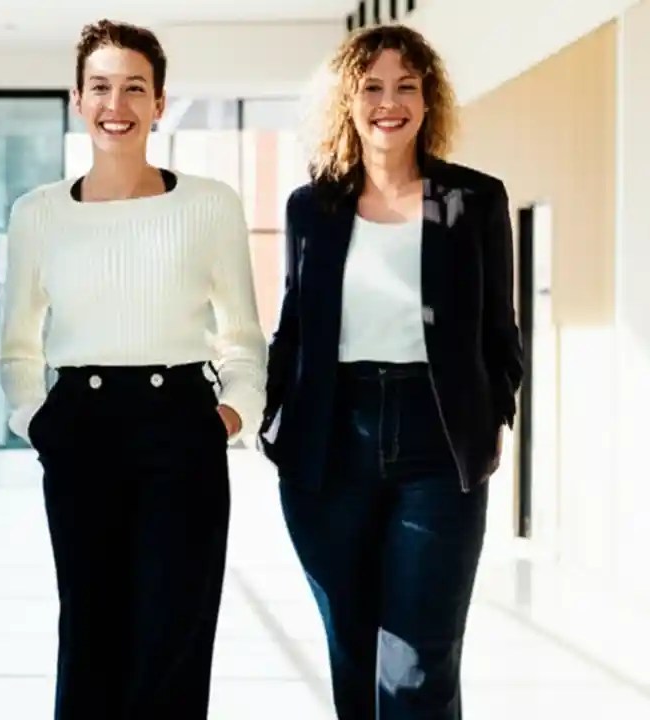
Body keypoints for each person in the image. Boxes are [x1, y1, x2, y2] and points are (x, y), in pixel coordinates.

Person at [0, 19, 266, 719]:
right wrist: (35, 419)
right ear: (78, 102)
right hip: (80, 427)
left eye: (134, 88)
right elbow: (17, 346)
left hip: (181, 424)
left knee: (173, 638)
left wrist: (230, 414)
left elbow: (242, 333)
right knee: (89, 634)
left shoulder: (209, 205)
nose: (117, 103)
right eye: (102, 87)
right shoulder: (38, 214)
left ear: (159, 104)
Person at [258, 24, 524, 720]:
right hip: (329, 441)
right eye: (371, 86)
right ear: (347, 101)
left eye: (407, 85)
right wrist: (273, 423)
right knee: (353, 653)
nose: (389, 101)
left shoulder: (473, 201)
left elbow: (502, 329)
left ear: (428, 99)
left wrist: (495, 413)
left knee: (418, 662)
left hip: (437, 441)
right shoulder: (311, 207)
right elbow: (293, 326)